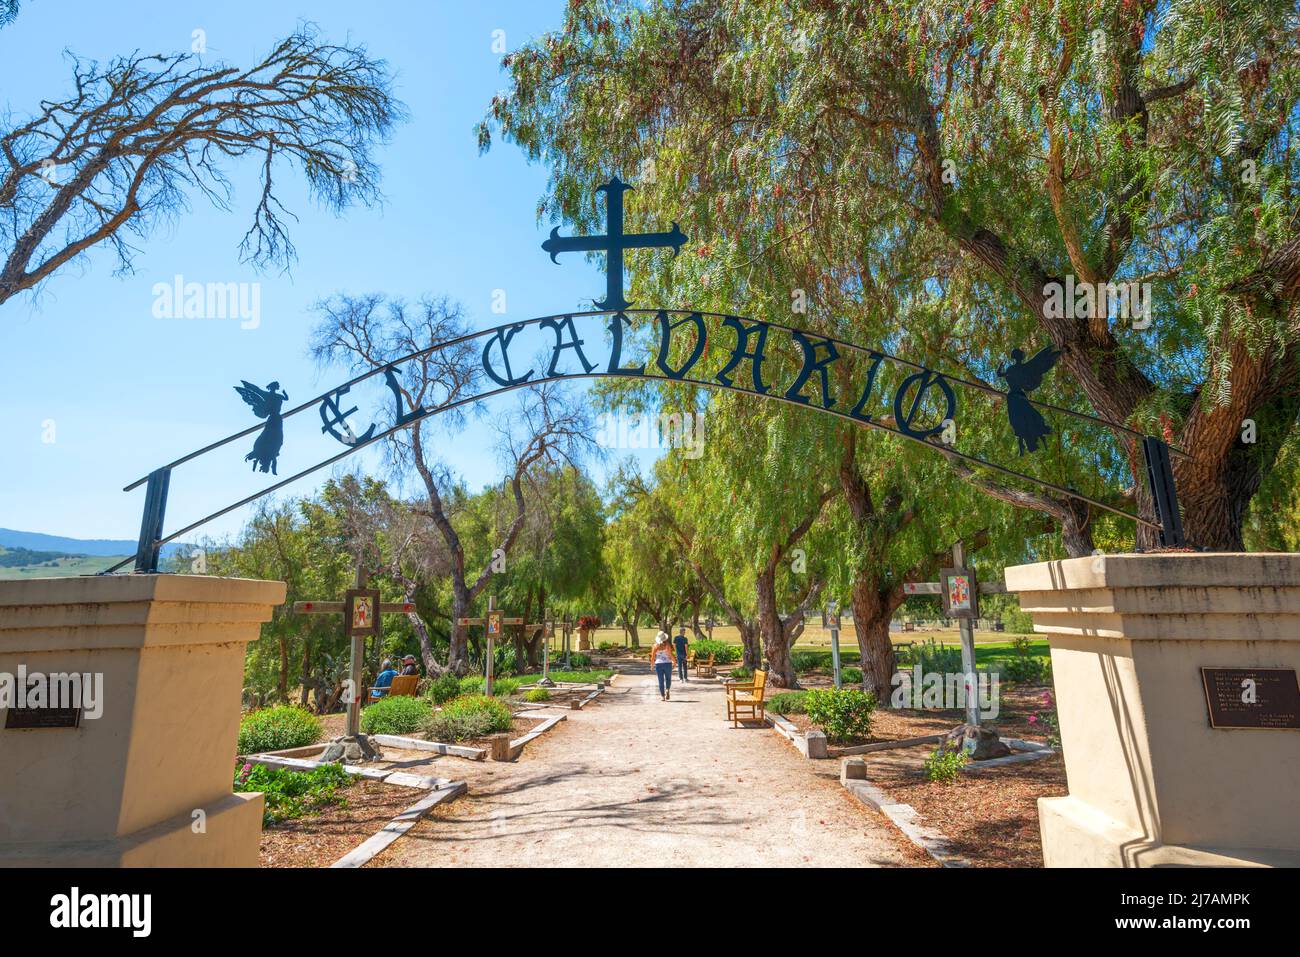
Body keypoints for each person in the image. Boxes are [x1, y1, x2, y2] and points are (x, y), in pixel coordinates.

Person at [651, 631, 675, 701]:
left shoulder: (655, 646)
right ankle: (667, 689)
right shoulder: (667, 645)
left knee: (660, 680)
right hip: (667, 663)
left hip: (658, 664)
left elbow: (652, 657)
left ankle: (662, 696)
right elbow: (670, 655)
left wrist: (652, 665)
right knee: (668, 678)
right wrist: (675, 662)